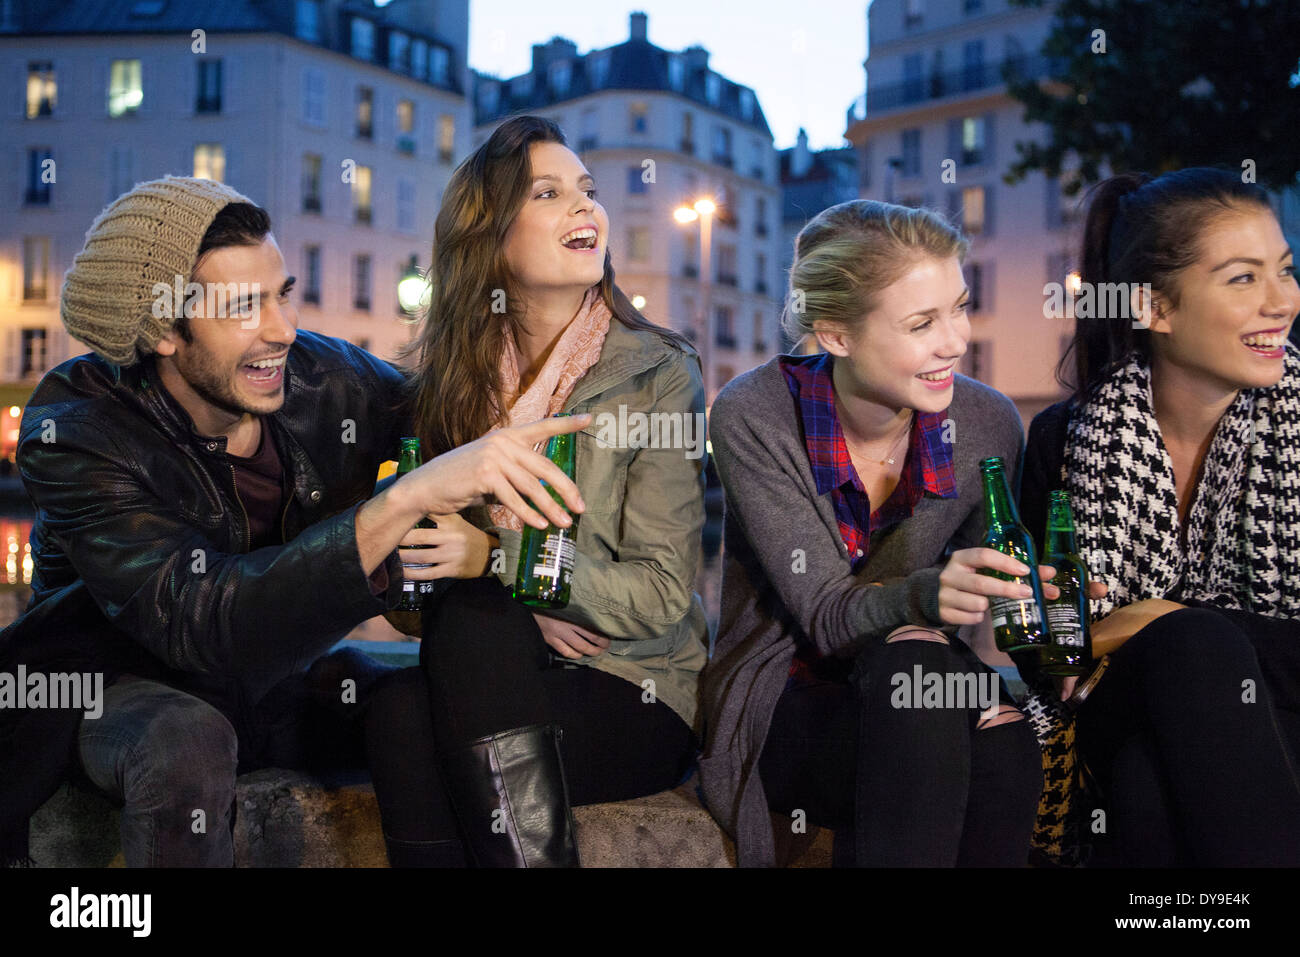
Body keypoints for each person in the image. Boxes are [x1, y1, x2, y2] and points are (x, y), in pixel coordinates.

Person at [0, 176, 588, 867]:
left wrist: (509, 565)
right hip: (116, 689)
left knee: (419, 708)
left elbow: (464, 431)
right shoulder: (76, 426)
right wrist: (396, 504)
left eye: (283, 293)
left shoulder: (324, 378)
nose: (282, 329)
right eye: (244, 305)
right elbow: (201, 620)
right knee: (182, 740)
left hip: (274, 687)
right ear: (163, 328)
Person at [375, 115, 707, 867]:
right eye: (550, 193)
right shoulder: (448, 386)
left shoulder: (658, 373)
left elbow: (660, 594)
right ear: (490, 236)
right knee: (397, 703)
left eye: (587, 191)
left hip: (633, 684)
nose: (585, 207)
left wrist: (499, 563)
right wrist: (518, 605)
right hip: (494, 669)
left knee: (454, 653)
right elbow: (411, 603)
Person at [700, 199, 1060, 867]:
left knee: (1004, 740)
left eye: (959, 305)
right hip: (786, 696)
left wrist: (1052, 609)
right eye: (922, 322)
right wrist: (927, 599)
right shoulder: (755, 414)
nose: (954, 339)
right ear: (836, 334)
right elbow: (831, 617)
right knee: (927, 682)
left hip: (914, 676)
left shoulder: (985, 420)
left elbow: (998, 592)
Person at [1019, 167, 1300, 866]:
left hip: (1276, 719)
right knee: (1185, 661)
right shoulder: (1065, 437)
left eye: (1285, 271)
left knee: (1146, 785)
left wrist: (1159, 616)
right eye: (1243, 278)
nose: (1283, 302)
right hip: (1108, 718)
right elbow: (1045, 652)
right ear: (1155, 308)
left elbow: (1104, 635)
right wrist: (1179, 630)